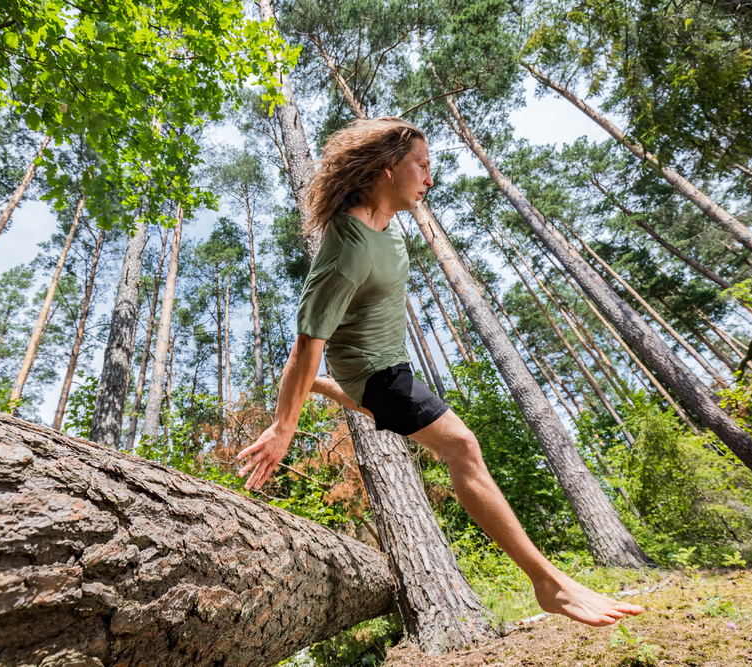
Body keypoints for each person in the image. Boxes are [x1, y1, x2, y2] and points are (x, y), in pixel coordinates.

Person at [236, 117, 643, 628]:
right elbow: (306, 342)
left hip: (386, 367)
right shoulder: (349, 250)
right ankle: (548, 583)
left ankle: (331, 388)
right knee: (462, 446)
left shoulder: (383, 226)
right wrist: (283, 428)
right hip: (379, 374)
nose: (431, 177)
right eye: (422, 166)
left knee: (380, 407)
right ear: (387, 171)